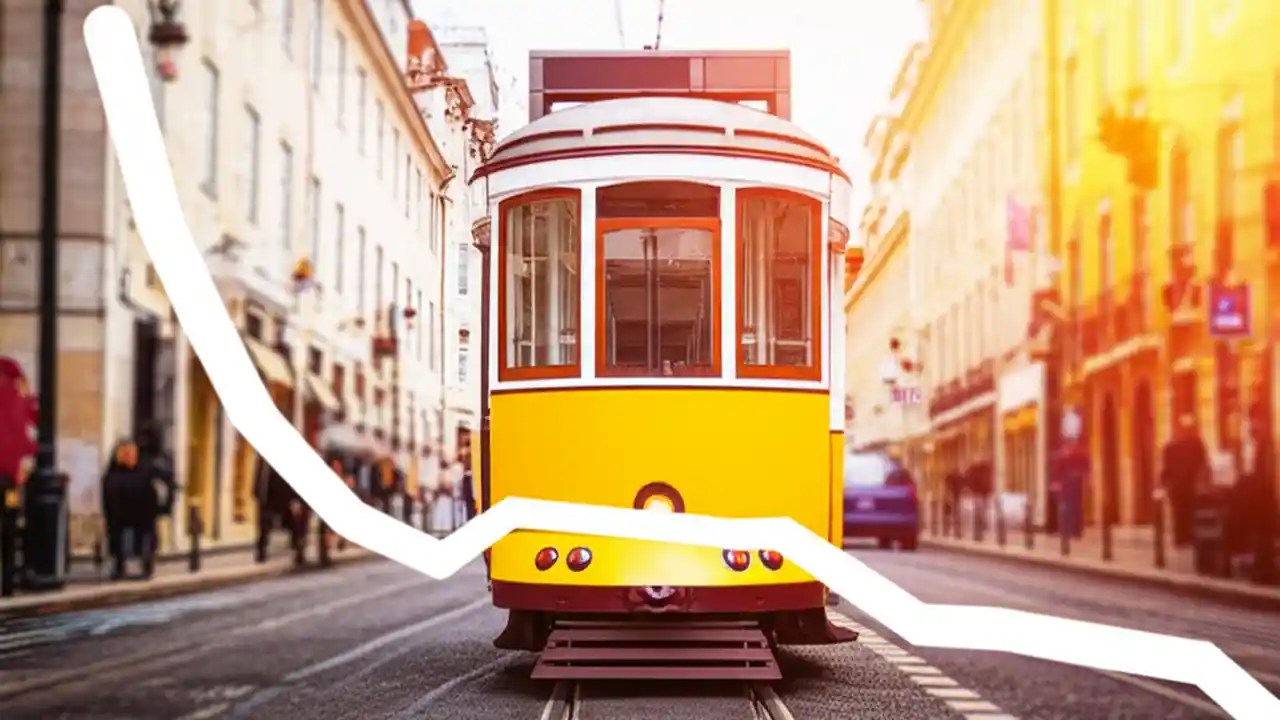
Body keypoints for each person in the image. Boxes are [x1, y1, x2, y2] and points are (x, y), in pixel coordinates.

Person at [1159, 413, 1209, 547]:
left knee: (1179, 513)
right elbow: (1203, 463)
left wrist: (1165, 483)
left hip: (1178, 486)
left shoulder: (1171, 446)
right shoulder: (1196, 445)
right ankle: (1186, 537)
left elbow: (1165, 468)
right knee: (1187, 512)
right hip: (1187, 486)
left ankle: (1181, 538)